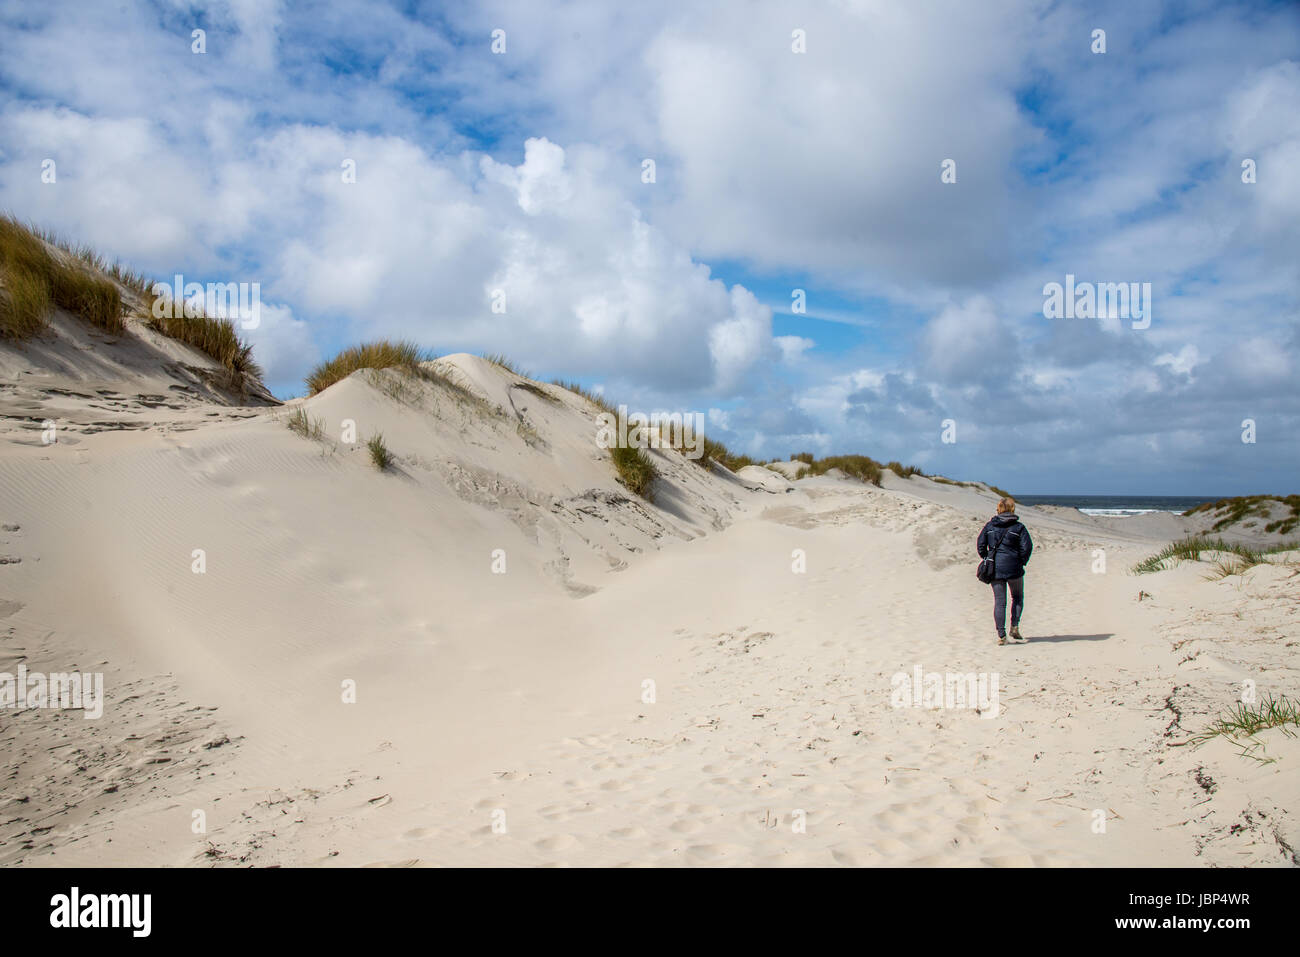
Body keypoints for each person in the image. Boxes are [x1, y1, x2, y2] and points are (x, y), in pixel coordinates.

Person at [977, 497, 1033, 645]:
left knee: (1000, 602)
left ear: (999, 509)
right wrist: (1021, 561)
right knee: (1017, 597)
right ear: (1012, 509)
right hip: (1014, 567)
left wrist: (987, 557)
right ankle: (1014, 626)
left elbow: (980, 544)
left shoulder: (990, 526)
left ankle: (1001, 635)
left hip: (995, 567)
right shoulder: (1018, 527)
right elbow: (1027, 547)